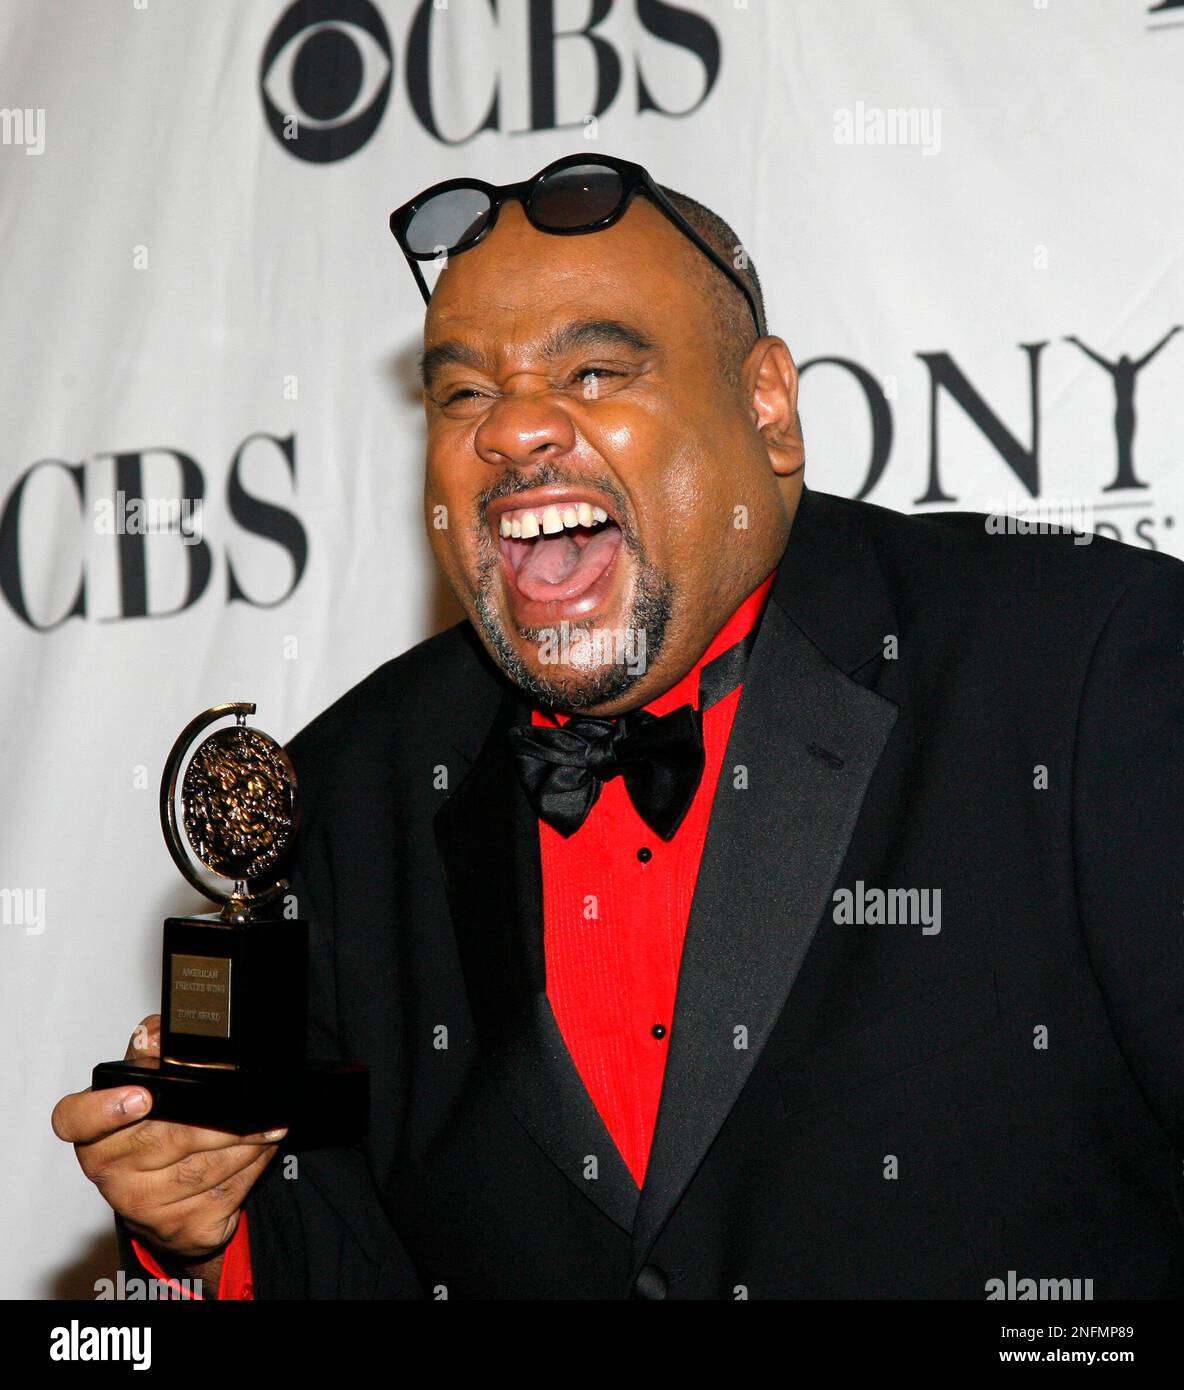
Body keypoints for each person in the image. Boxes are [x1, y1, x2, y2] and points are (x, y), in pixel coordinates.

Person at [53, 155, 1184, 1300]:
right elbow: (344, 1256)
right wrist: (204, 1235)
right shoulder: (348, 792)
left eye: (593, 370)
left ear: (766, 408)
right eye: (462, 394)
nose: (513, 432)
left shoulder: (1082, 664)